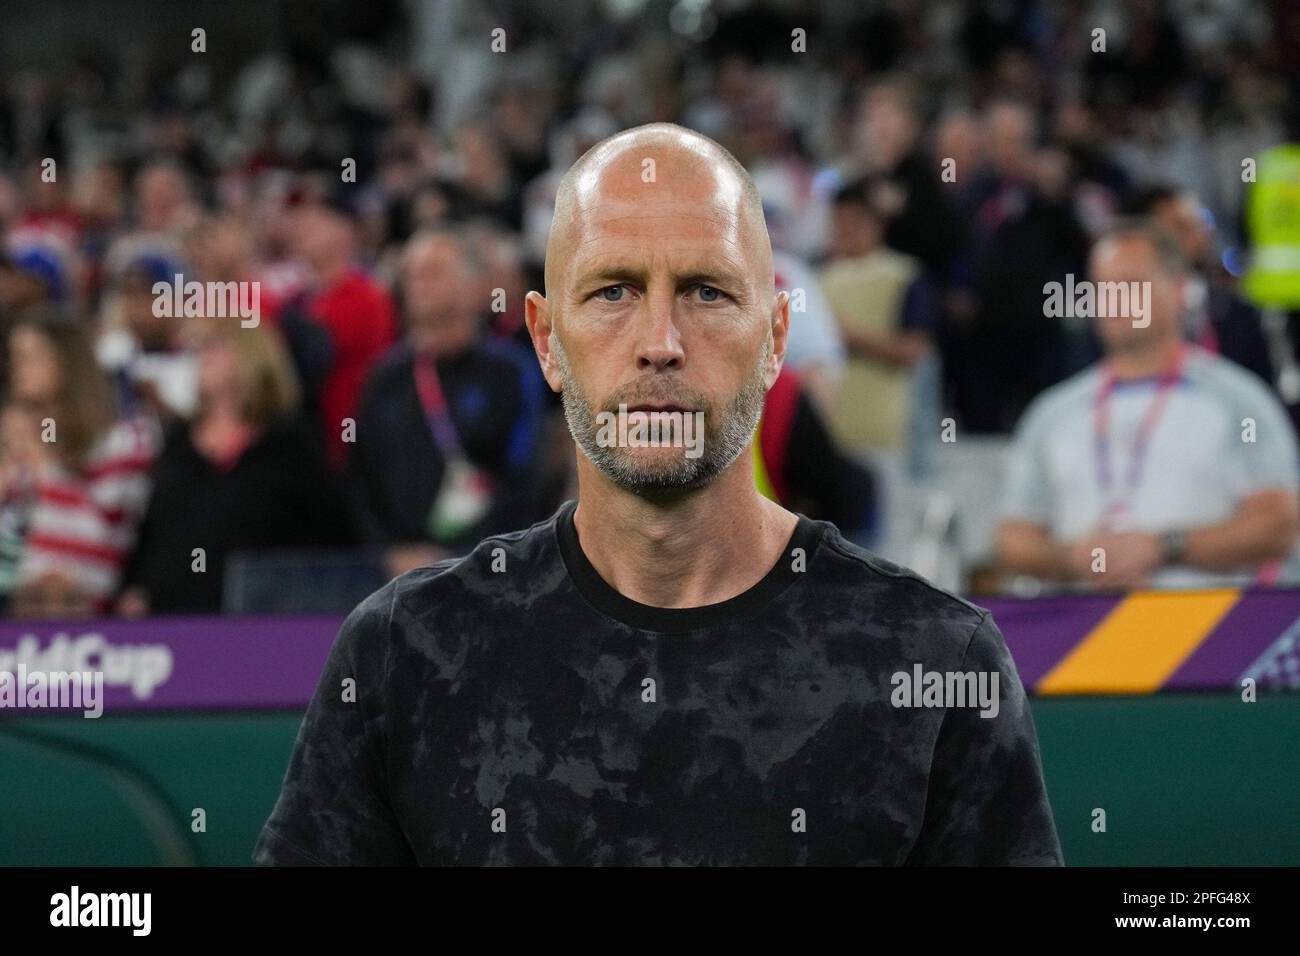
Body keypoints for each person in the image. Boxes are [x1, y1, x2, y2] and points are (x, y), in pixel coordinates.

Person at [255, 123, 1061, 866]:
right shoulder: (407, 654)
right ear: (546, 340)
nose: (660, 344)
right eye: (612, 292)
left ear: (776, 337)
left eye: (708, 292)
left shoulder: (933, 660)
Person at [996, 220, 1300, 591]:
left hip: (1211, 635)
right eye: (1102, 287)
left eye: (1130, 285)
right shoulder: (1054, 412)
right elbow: (1012, 537)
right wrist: (1073, 558)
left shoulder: (1239, 402)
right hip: (1083, 636)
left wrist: (1166, 546)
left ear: (1179, 290)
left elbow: (1280, 524)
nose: (1113, 300)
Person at [116, 317, 353, 615]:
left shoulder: (291, 445)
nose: (201, 356)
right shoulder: (178, 440)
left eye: (213, 346)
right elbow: (153, 529)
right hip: (173, 617)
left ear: (251, 356)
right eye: (198, 347)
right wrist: (136, 587)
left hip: (266, 623)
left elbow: (331, 538)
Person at [347, 231, 546, 578]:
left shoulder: (510, 371)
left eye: (433, 272)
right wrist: (388, 549)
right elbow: (361, 475)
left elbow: (525, 474)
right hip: (396, 571)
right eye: (410, 274)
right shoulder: (385, 377)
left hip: (488, 566)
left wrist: (462, 554)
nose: (417, 284)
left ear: (472, 285)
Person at [0, 311, 155, 617]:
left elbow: (102, 542)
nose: (18, 370)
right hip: (15, 603)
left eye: (31, 357)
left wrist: (41, 464)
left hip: (84, 614)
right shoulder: (14, 436)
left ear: (68, 363)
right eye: (14, 358)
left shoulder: (123, 440)